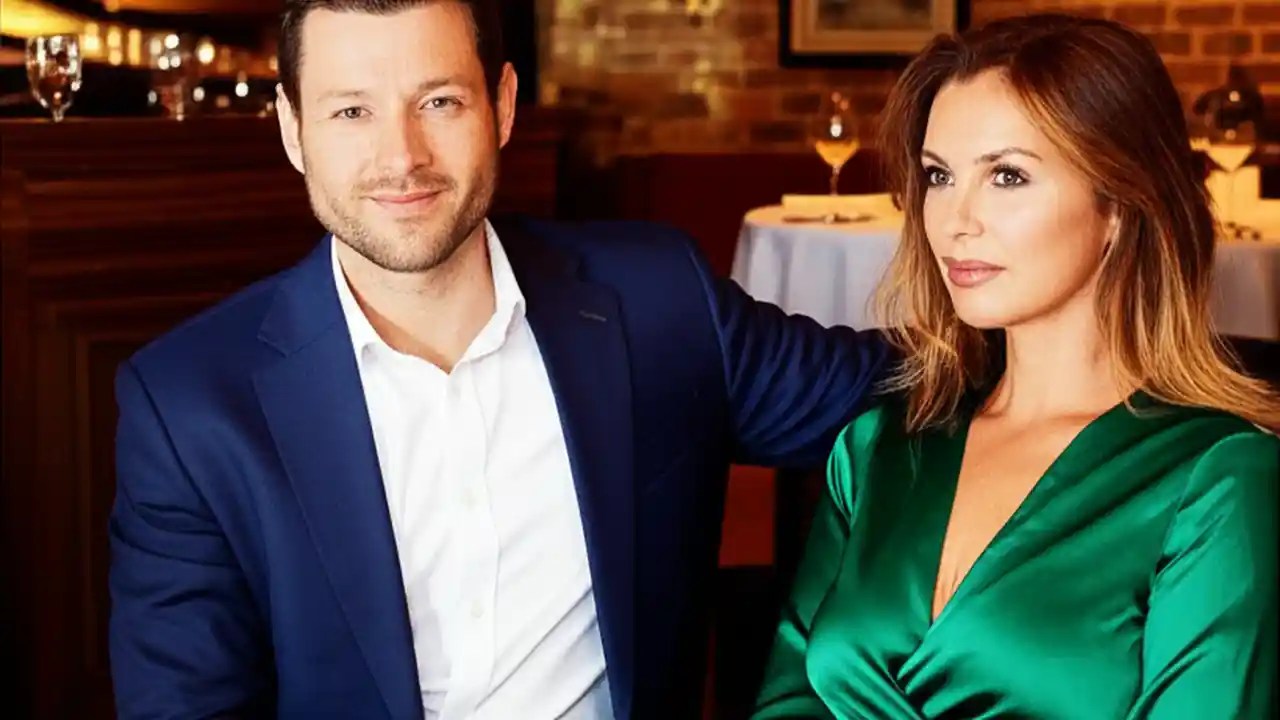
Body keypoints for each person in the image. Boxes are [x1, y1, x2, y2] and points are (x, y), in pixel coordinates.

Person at [106, 1, 890, 718]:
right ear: (292, 128)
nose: (401, 156)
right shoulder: (190, 406)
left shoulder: (658, 301)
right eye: (352, 111)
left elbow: (906, 398)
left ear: (503, 105)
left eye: (439, 102)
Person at [754, 13, 1279, 720]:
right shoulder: (878, 450)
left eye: (1006, 175)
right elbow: (788, 700)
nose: (955, 220)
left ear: (1120, 203)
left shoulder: (1218, 479)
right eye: (939, 176)